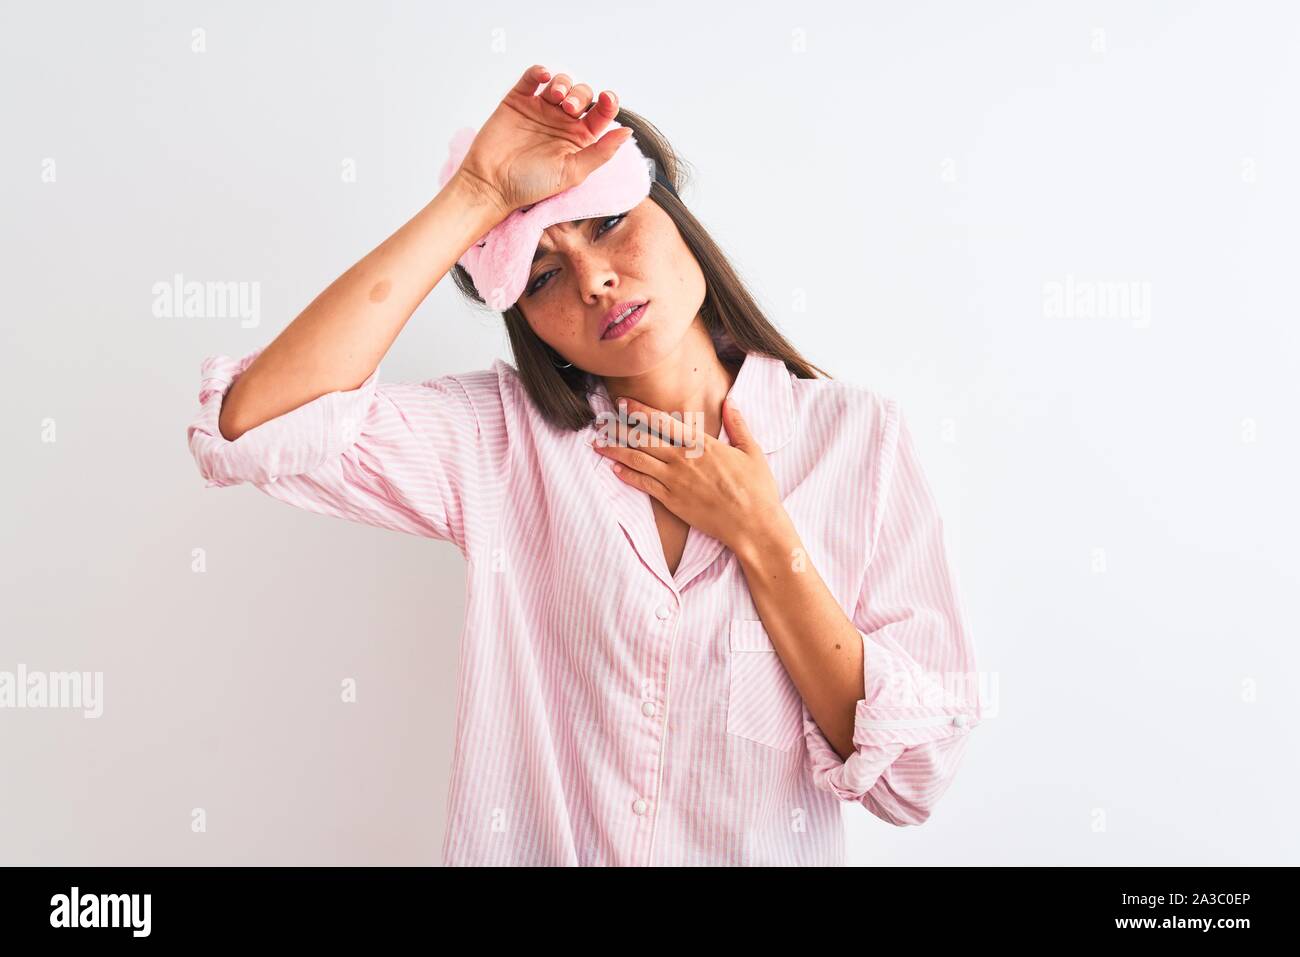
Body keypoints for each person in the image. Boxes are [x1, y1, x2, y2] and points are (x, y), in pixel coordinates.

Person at [186, 64, 984, 866]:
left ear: (672, 212)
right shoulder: (499, 441)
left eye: (605, 224)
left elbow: (914, 776)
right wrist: (474, 193)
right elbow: (254, 423)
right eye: (542, 275)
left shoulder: (860, 441)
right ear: (526, 321)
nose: (595, 281)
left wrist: (768, 540)